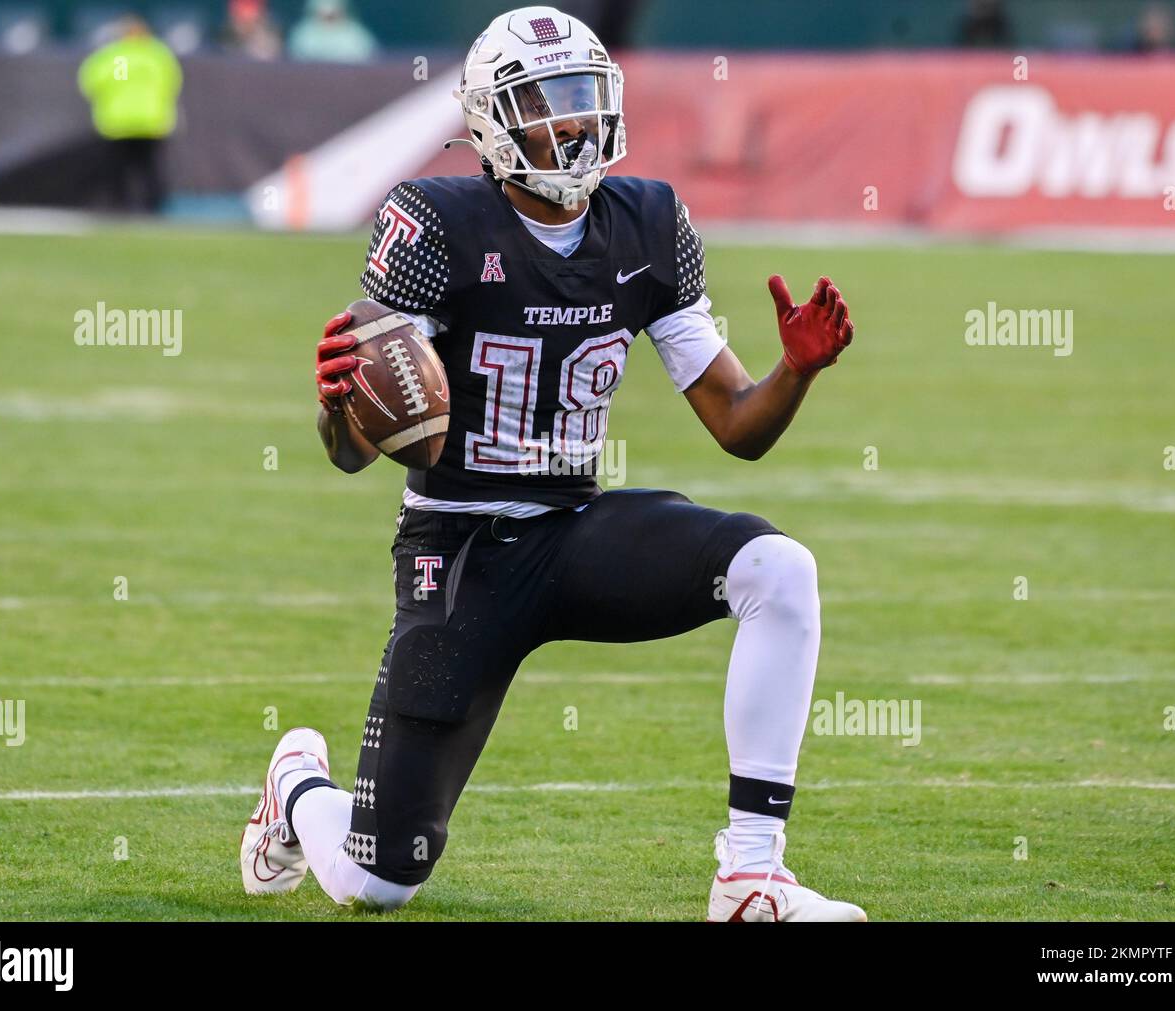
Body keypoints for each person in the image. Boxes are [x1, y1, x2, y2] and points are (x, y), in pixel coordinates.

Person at [241, 5, 863, 922]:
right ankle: (298, 785)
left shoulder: (646, 222)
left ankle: (750, 876)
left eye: (583, 96)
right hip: (458, 553)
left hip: (575, 531)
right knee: (380, 880)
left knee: (779, 568)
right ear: (494, 122)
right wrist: (341, 409)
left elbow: (738, 424)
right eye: (547, 100)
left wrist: (795, 372)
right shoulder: (435, 220)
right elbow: (351, 455)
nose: (574, 120)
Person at [77, 17, 182, 213]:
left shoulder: (117, 56)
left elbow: (92, 83)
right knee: (149, 170)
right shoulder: (158, 55)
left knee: (119, 170)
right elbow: (173, 83)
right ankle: (153, 210)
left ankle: (120, 208)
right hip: (152, 121)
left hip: (119, 122)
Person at [287, 0, 377, 63]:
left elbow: (368, 58)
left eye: (332, 16)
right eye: (324, 16)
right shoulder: (303, 34)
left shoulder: (355, 35)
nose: (328, 19)